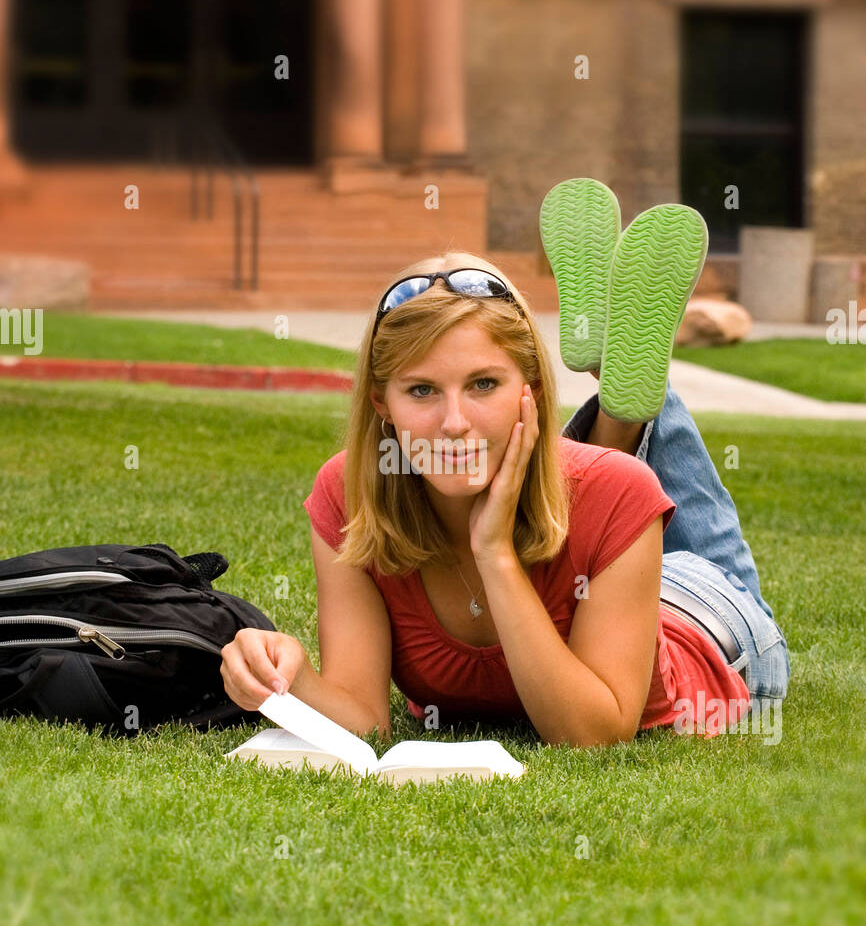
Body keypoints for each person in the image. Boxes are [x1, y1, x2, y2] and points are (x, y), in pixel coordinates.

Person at [220, 252, 790, 747]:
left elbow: (591, 733)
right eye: (421, 390)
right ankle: (614, 389)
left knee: (621, 494)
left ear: (532, 391)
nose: (453, 423)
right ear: (380, 403)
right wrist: (289, 678)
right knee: (579, 483)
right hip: (599, 557)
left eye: (483, 384)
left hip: (707, 621)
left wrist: (494, 551)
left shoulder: (618, 491)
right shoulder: (350, 497)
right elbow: (365, 722)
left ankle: (632, 392)